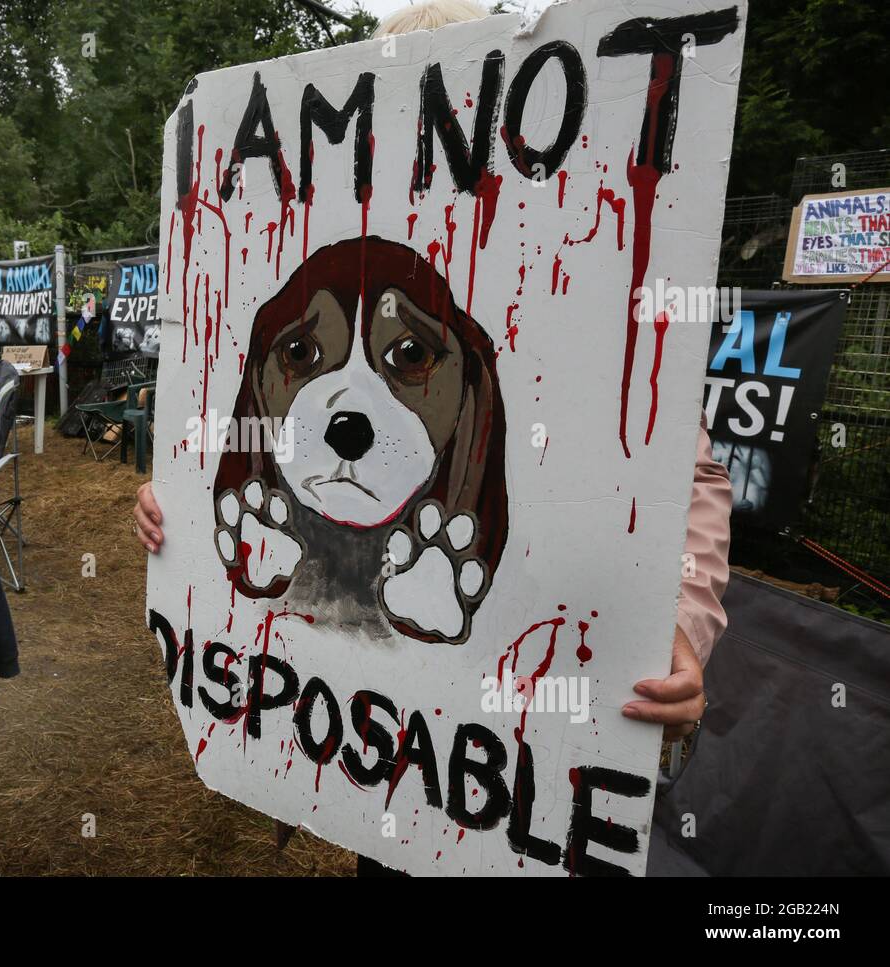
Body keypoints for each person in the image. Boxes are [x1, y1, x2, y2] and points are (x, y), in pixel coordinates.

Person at [134, 0, 733, 876]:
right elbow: (232, 411)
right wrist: (177, 509)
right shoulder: (312, 259)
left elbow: (691, 479)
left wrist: (678, 619)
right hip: (378, 734)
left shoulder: (587, 278)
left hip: (529, 739)